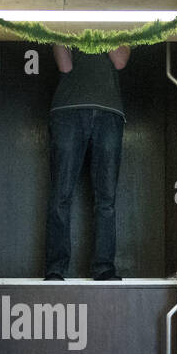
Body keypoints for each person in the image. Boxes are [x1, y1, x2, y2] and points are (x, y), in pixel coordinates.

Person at [44, 44, 129, 281]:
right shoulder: (68, 23)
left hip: (108, 111)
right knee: (61, 193)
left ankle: (104, 268)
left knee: (106, 198)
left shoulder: (120, 24)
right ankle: (55, 269)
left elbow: (120, 60)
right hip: (68, 109)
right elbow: (65, 65)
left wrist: (98, 26)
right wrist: (63, 33)